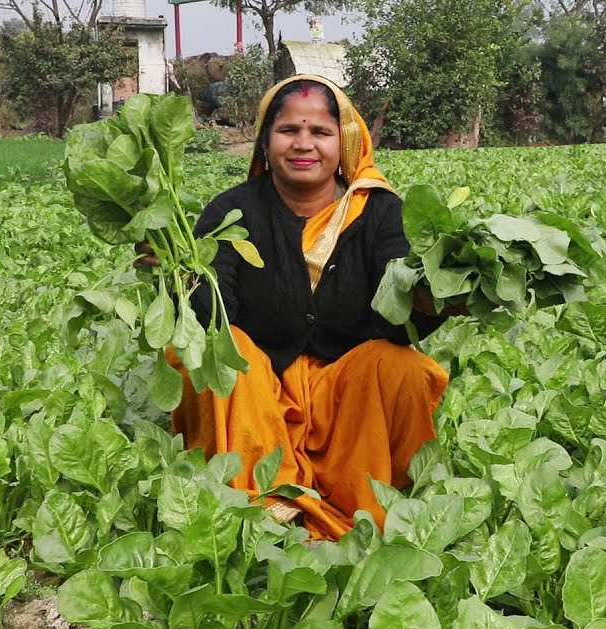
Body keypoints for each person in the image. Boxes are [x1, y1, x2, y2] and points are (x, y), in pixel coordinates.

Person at [154, 75, 451, 541]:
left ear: (345, 142)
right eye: (289, 130)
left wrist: (433, 299)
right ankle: (264, 502)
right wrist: (181, 274)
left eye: (320, 132)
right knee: (215, 352)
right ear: (266, 141)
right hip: (260, 383)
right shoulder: (234, 210)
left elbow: (395, 320)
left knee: (403, 368)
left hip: (345, 388)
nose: (303, 144)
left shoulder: (379, 212)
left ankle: (367, 493)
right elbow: (216, 314)